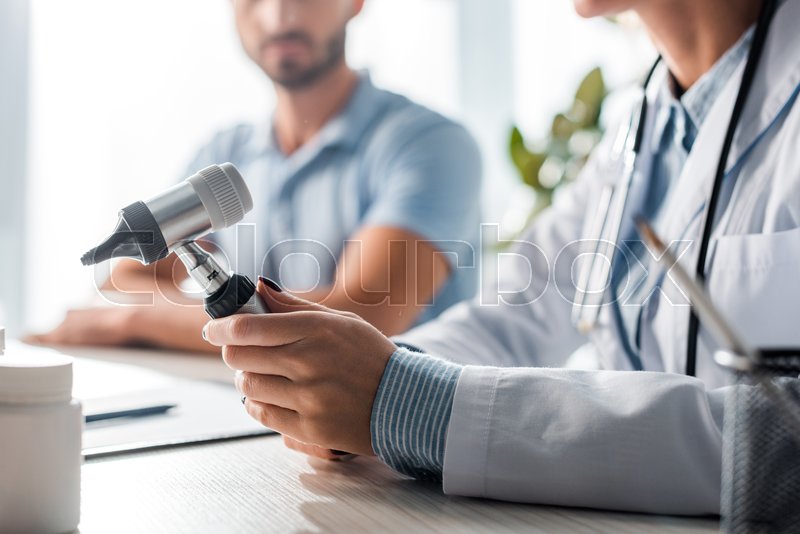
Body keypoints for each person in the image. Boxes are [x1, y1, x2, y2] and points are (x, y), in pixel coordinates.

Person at [201, 0, 800, 515]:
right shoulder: (642, 125)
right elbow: (516, 312)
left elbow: (785, 441)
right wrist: (364, 379)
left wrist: (412, 405)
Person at [29, 0, 481, 352]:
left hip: (394, 449)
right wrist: (234, 321)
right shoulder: (225, 152)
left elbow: (360, 316)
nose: (278, 15)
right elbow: (127, 277)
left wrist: (133, 321)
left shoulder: (431, 144)